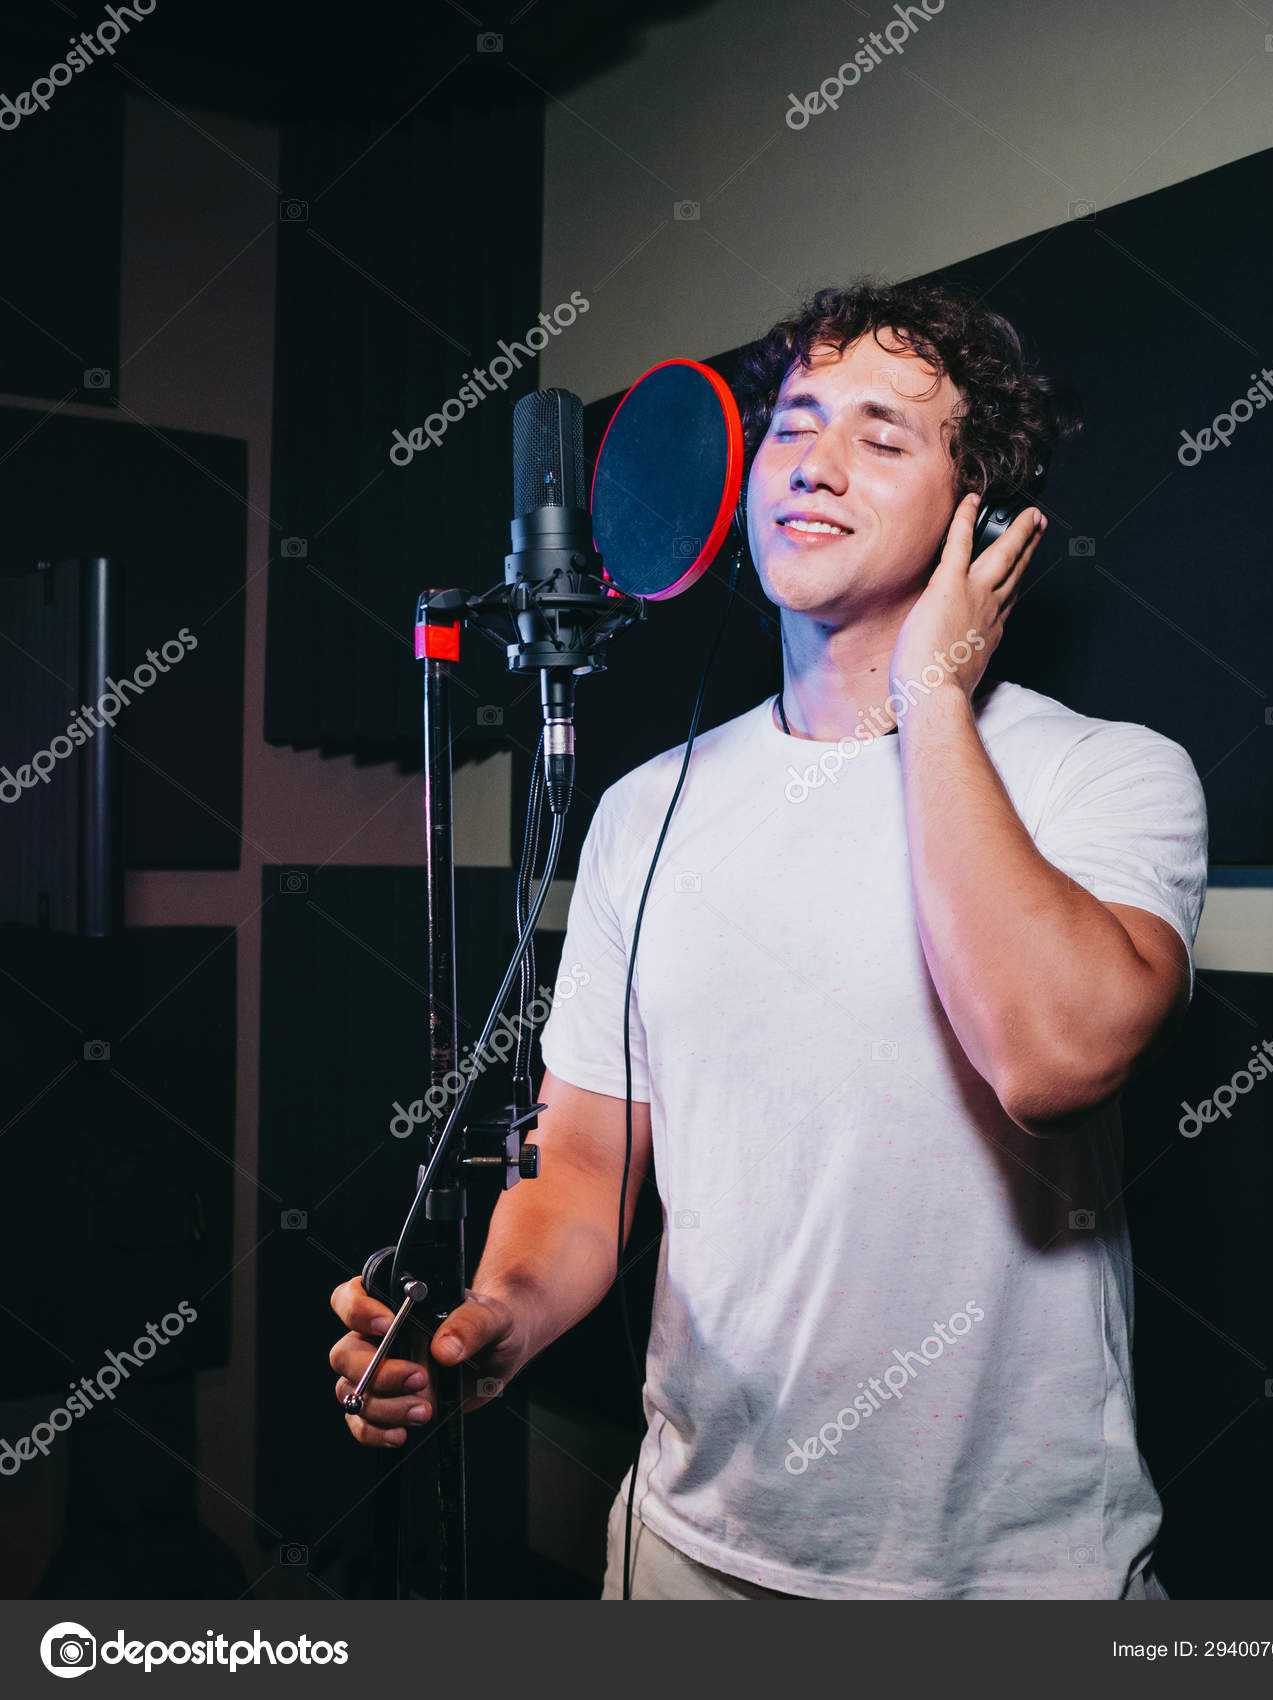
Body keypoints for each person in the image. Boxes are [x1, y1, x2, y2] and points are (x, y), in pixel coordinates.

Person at [330, 279, 1208, 1599]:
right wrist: (495, 1319)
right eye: (795, 425)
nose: (816, 462)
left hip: (1014, 1580)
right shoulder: (640, 814)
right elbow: (580, 1171)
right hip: (692, 1553)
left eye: (885, 433)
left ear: (981, 510)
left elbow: (1052, 1056)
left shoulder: (1109, 778)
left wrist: (931, 699)